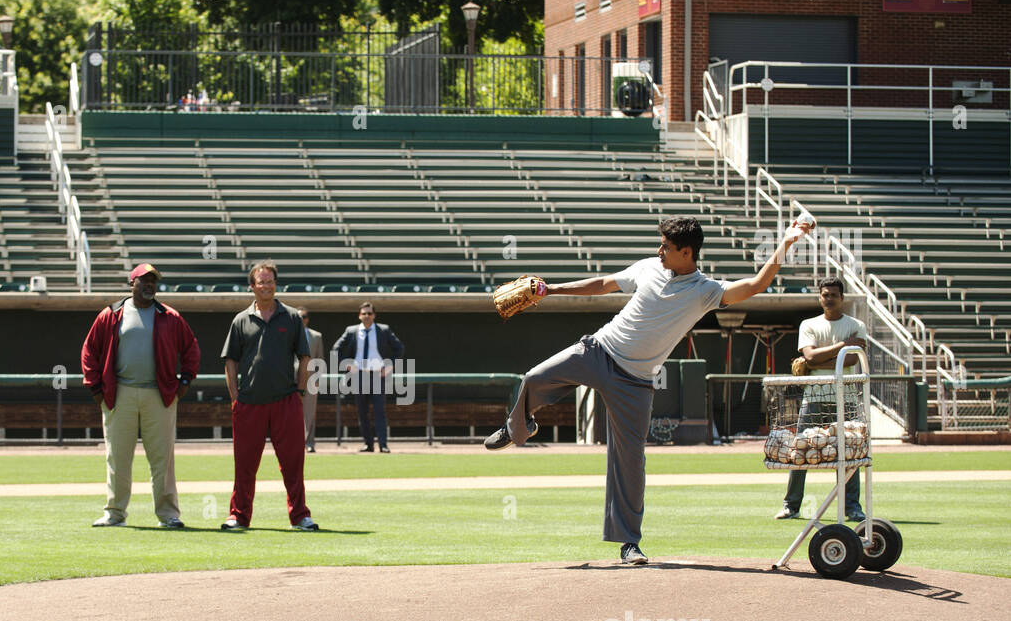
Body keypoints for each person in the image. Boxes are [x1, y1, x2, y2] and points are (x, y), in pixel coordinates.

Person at [484, 215, 815, 564]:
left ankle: (629, 543)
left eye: (667, 247)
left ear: (686, 253)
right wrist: (552, 290)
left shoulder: (705, 291)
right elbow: (602, 284)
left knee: (630, 461)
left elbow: (757, 284)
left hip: (636, 382)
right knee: (534, 378)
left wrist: (787, 242)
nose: (660, 251)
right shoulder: (648, 267)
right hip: (598, 351)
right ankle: (516, 427)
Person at [81, 262, 201, 528]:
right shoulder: (111, 314)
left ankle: (168, 514)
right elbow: (89, 350)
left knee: (162, 459)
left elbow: (191, 349)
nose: (149, 286)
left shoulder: (170, 316)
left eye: (153, 281)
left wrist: (184, 381)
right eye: (143, 281)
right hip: (119, 393)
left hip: (159, 396)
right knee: (117, 456)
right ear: (131, 283)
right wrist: (96, 388)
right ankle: (115, 513)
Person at [219, 260, 319, 531]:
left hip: (286, 400)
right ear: (252, 286)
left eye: (270, 281)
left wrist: (299, 391)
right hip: (249, 404)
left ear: (276, 284)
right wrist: (234, 396)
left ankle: (300, 516)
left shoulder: (291, 317)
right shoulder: (241, 319)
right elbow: (230, 361)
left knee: (293, 464)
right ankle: (238, 516)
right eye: (261, 281)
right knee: (245, 466)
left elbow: (305, 356)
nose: (266, 285)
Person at [775, 275, 868, 522]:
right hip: (814, 396)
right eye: (825, 295)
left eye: (833, 295)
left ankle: (852, 507)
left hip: (844, 398)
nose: (829, 299)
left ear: (842, 298)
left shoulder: (856, 324)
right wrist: (839, 347)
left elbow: (849, 360)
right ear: (820, 297)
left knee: (850, 453)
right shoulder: (809, 324)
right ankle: (791, 505)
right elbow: (810, 357)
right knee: (801, 450)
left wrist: (818, 358)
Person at [332, 302, 405, 452]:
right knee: (362, 412)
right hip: (359, 375)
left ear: (374, 315)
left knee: (379, 411)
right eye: (364, 313)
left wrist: (390, 366)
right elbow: (336, 349)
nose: (366, 316)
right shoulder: (351, 331)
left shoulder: (383, 330)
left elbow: (399, 348)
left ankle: (383, 445)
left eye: (369, 313)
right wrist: (347, 365)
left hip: (377, 375)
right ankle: (368, 444)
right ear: (359, 315)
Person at [297, 307, 325, 452]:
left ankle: (309, 443)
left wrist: (317, 378)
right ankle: (293, 443)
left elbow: (320, 359)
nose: (302, 319)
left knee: (309, 412)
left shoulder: (316, 336)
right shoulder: (288, 333)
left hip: (310, 379)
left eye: (304, 317)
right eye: (299, 317)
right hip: (291, 379)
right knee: (290, 412)